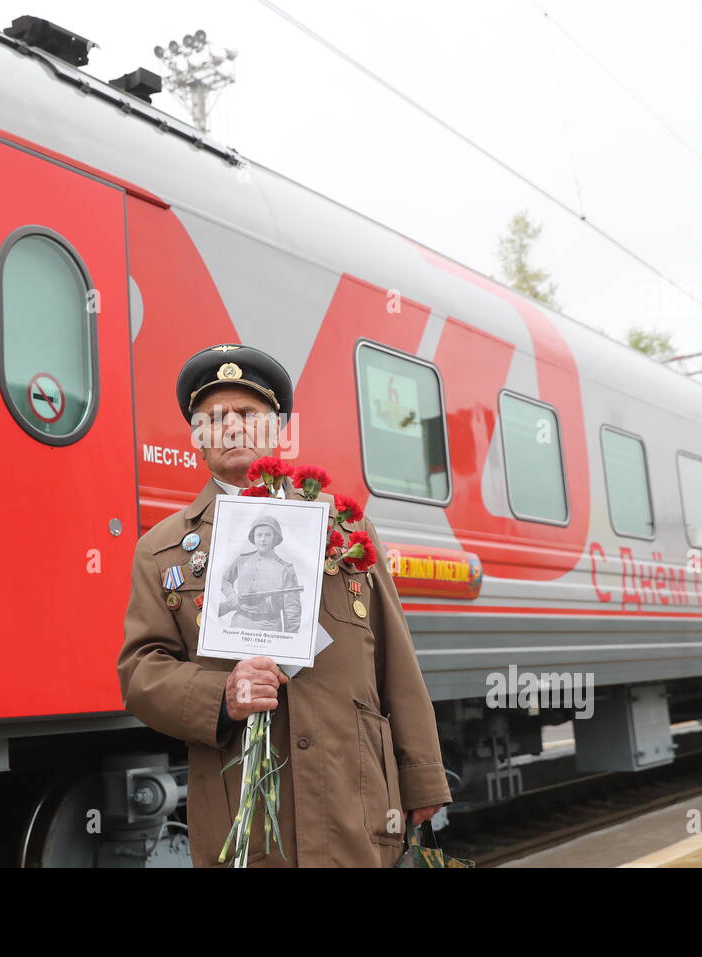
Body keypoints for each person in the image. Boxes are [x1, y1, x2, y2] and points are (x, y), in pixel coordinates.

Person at [117, 343, 451, 867]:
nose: (231, 427)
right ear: (197, 441)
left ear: (277, 429)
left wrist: (422, 774)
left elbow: (395, 658)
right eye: (212, 419)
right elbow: (140, 673)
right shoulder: (160, 550)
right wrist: (220, 695)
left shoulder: (345, 527)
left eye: (248, 415)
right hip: (243, 818)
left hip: (352, 798)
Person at [218, 514, 302, 632]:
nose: (263, 539)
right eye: (259, 535)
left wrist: (290, 638)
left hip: (269, 627)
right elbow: (225, 580)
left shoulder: (285, 569)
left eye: (267, 535)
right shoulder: (242, 560)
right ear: (254, 538)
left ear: (275, 538)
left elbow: (292, 609)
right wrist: (232, 596)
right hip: (239, 623)